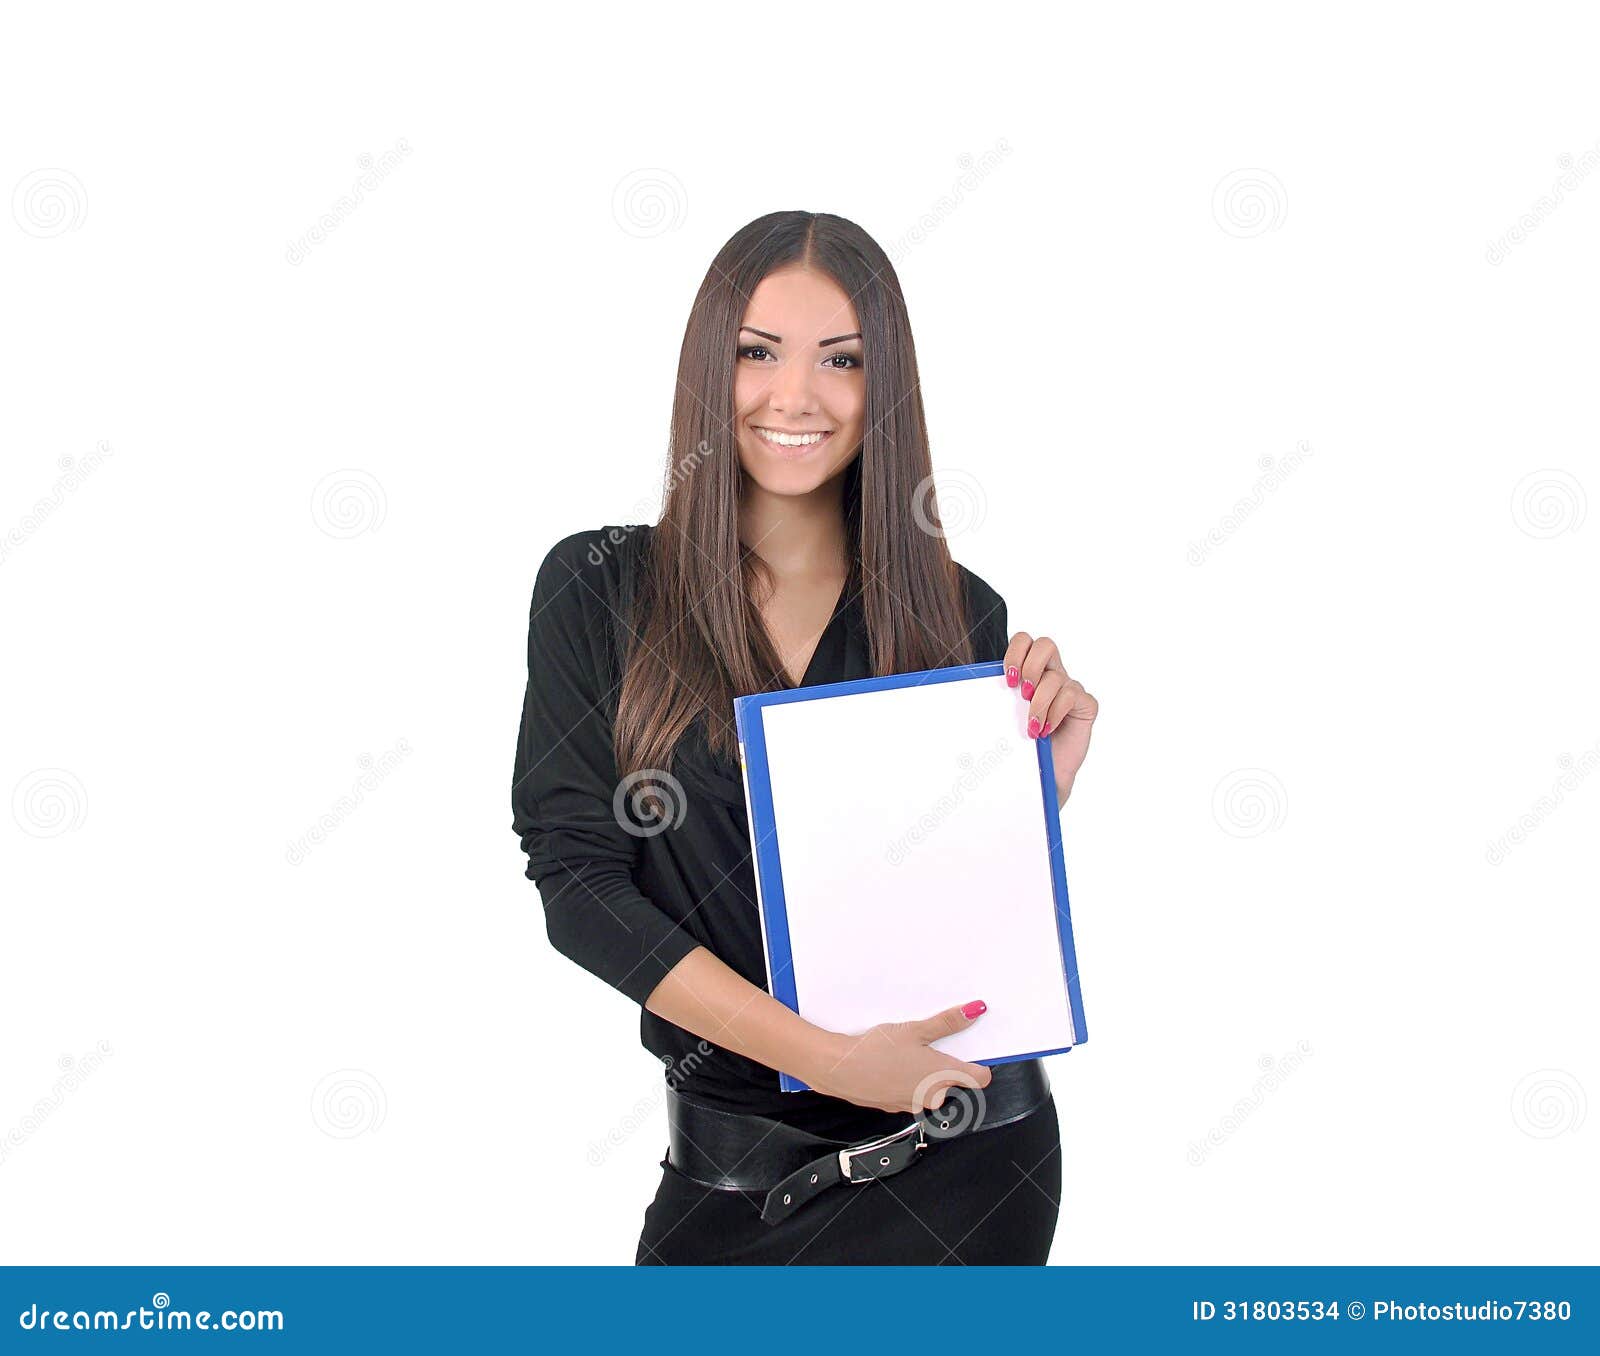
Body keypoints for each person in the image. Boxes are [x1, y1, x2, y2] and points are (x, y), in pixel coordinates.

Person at [511, 210, 1098, 1264]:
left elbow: (924, 902)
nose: (796, 396)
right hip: (731, 1175)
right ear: (708, 369)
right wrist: (823, 1059)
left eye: (841, 360)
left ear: (885, 390)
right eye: (756, 353)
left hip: (970, 1158)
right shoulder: (597, 587)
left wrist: (1031, 801)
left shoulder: (957, 612)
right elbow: (578, 887)